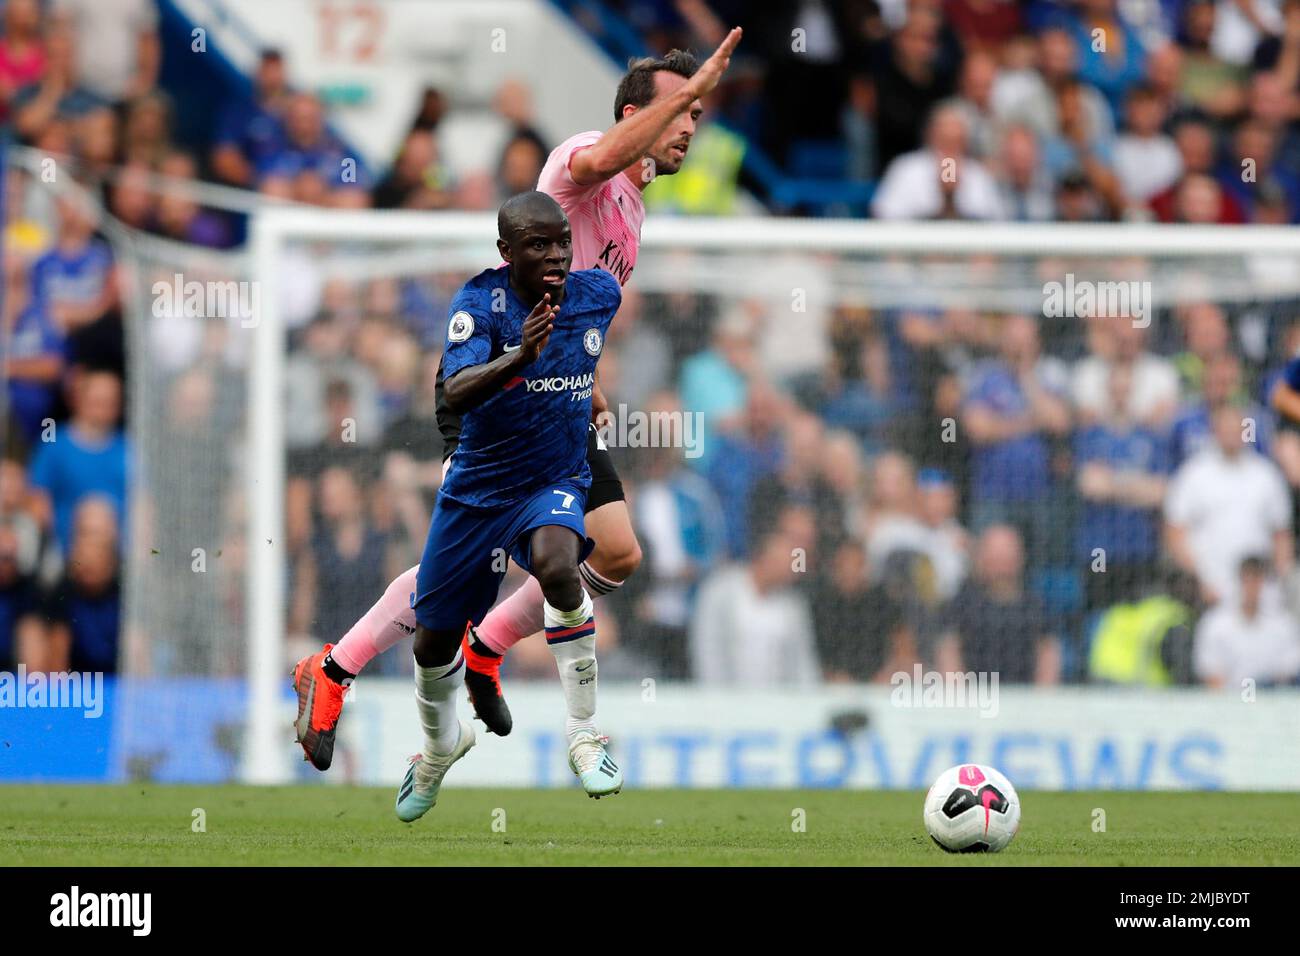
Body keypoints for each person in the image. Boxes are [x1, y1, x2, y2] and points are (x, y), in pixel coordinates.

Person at [292, 28, 744, 768]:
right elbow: (603, 158)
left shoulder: (634, 210)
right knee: (465, 570)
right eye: (680, 112)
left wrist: (588, 384)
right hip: (498, 383)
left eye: (697, 115)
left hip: (553, 395)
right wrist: (687, 90)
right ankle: (341, 666)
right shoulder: (581, 162)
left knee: (615, 553)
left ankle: (479, 644)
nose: (691, 127)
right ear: (634, 113)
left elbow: (575, 308)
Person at [381, 192, 621, 821]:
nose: (554, 256)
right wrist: (521, 357)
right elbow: (454, 390)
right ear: (505, 251)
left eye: (562, 242)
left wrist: (588, 391)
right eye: (537, 245)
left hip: (555, 476)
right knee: (432, 645)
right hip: (478, 487)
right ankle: (439, 748)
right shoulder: (478, 303)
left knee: (559, 566)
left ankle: (585, 732)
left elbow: (588, 346)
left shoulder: (597, 295)